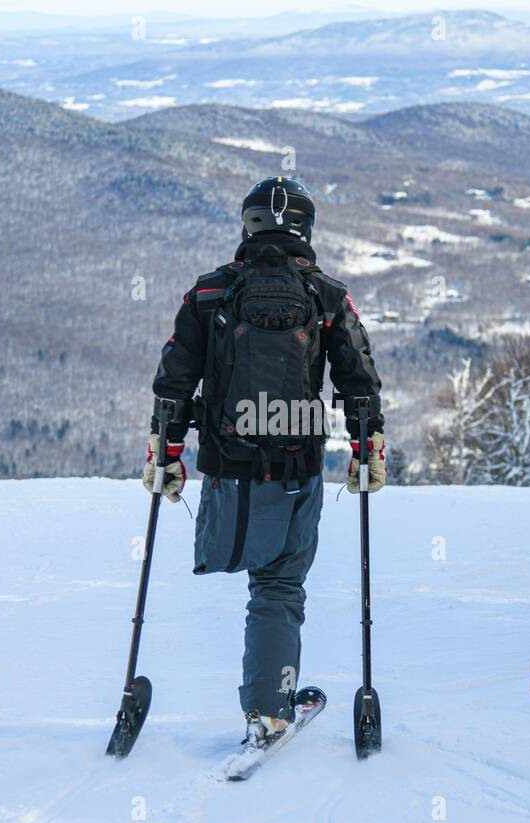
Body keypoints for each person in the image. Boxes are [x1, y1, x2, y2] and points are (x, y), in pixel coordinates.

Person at [141, 177, 386, 746]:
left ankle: (268, 708)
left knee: (263, 583)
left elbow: (173, 384)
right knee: (277, 588)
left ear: (247, 223)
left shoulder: (207, 295)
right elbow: (360, 385)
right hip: (297, 471)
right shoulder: (328, 296)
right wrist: (366, 451)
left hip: (229, 469)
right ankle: (270, 710)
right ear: (308, 228)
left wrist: (167, 455)